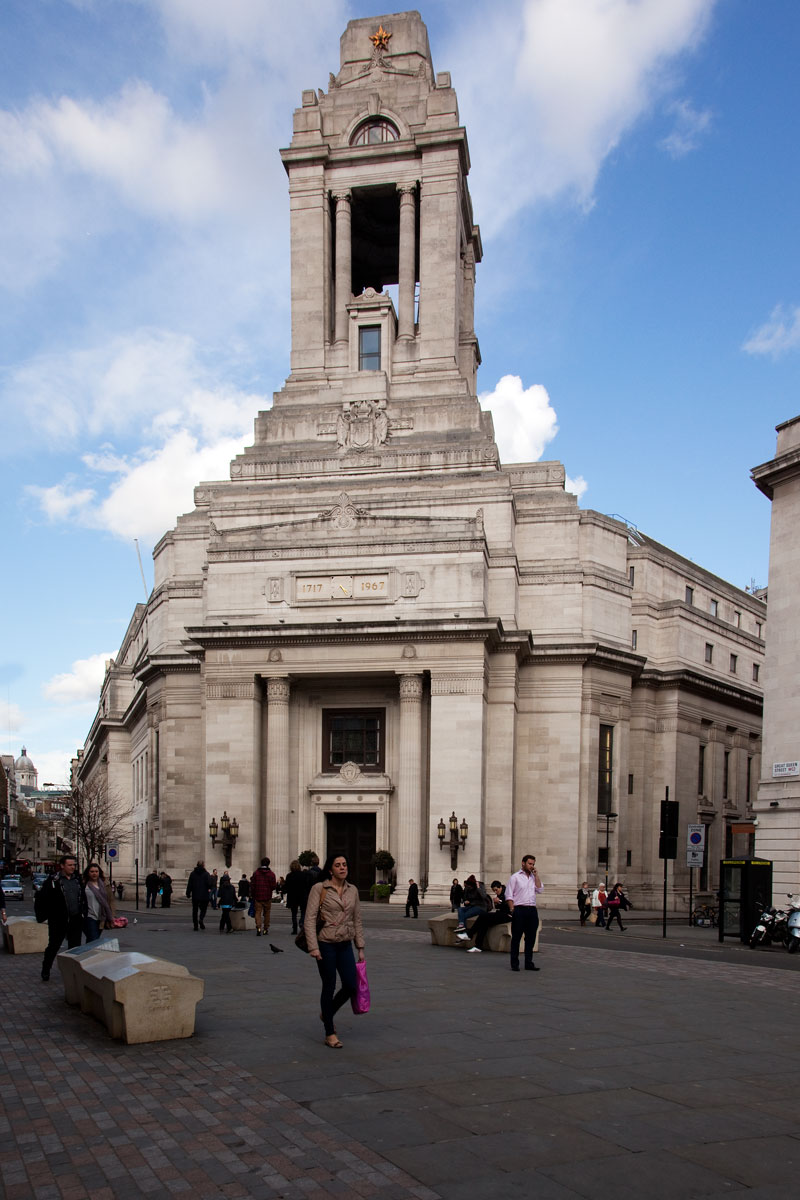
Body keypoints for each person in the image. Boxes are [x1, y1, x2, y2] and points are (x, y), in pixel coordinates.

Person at [304, 854, 365, 1050]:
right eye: (338, 865)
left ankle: (327, 1011)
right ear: (330, 870)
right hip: (325, 943)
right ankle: (329, 1032)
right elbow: (310, 919)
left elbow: (357, 919)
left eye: (345, 864)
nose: (342, 868)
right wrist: (313, 947)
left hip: (345, 942)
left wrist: (360, 947)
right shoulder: (319, 889)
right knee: (328, 985)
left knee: (351, 985)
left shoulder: (352, 890)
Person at [35, 854, 87, 981]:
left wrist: (82, 913)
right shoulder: (54, 880)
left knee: (74, 947)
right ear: (62, 866)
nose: (72, 867)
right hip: (58, 920)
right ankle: (46, 969)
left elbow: (83, 898)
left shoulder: (77, 880)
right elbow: (42, 898)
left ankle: (72, 972)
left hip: (75, 919)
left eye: (74, 865)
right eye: (69, 865)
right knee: (53, 946)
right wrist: (44, 916)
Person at [506, 854, 543, 972]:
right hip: (519, 909)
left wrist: (536, 876)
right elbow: (509, 895)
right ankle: (515, 963)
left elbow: (540, 889)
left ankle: (529, 962)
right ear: (523, 863)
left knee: (531, 937)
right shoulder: (515, 877)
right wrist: (512, 909)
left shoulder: (533, 877)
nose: (532, 866)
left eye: (533, 864)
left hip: (531, 909)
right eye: (529, 863)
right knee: (516, 937)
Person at [464, 881, 511, 952]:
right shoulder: (500, 893)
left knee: (483, 916)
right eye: (494, 890)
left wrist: (500, 901)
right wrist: (496, 903)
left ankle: (470, 934)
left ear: (500, 887)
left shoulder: (507, 892)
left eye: (496, 890)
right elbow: (498, 907)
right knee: (484, 922)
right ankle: (478, 946)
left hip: (508, 915)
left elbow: (509, 903)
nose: (495, 892)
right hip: (501, 913)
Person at [83, 862, 114, 943]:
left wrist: (112, 916)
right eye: (92, 871)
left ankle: (87, 954)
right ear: (88, 873)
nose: (94, 874)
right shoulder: (84, 885)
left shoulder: (105, 884)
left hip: (101, 917)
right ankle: (90, 954)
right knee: (94, 940)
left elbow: (110, 901)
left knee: (91, 940)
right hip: (90, 917)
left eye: (96, 871)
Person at [250, 857, 277, 937]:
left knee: (258, 912)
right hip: (267, 896)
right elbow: (273, 886)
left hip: (258, 896)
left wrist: (253, 893)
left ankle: (258, 927)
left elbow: (253, 885)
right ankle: (265, 929)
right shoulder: (271, 874)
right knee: (267, 913)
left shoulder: (256, 873)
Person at [186, 861, 213, 929]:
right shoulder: (206, 874)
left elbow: (190, 884)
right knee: (203, 909)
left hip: (195, 895)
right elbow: (209, 884)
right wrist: (209, 887)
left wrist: (188, 893)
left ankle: (195, 925)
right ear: (203, 865)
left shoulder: (192, 874)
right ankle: (201, 919)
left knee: (195, 910)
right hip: (204, 895)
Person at [283, 860, 307, 935]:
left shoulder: (289, 876)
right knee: (303, 911)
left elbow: (286, 887)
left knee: (294, 913)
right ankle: (301, 922)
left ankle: (294, 929)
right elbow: (306, 885)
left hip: (293, 896)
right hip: (302, 896)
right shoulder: (303, 875)